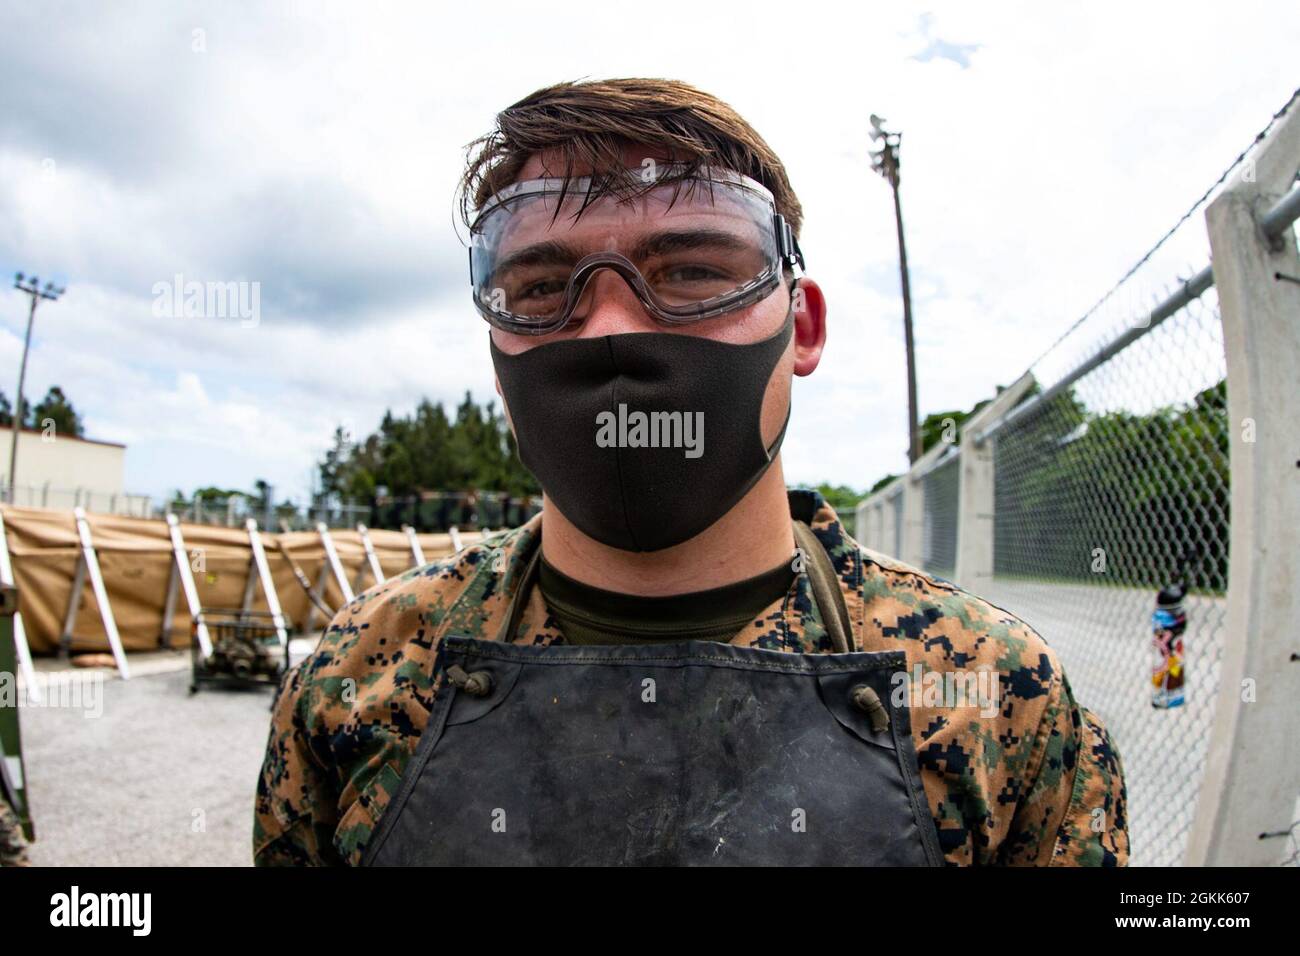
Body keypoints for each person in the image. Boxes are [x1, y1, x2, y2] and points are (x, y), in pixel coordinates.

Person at [255, 77, 1128, 866]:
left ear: (804, 325)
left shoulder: (994, 692)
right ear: (497, 353)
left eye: (695, 271)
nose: (606, 328)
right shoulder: (359, 673)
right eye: (540, 287)